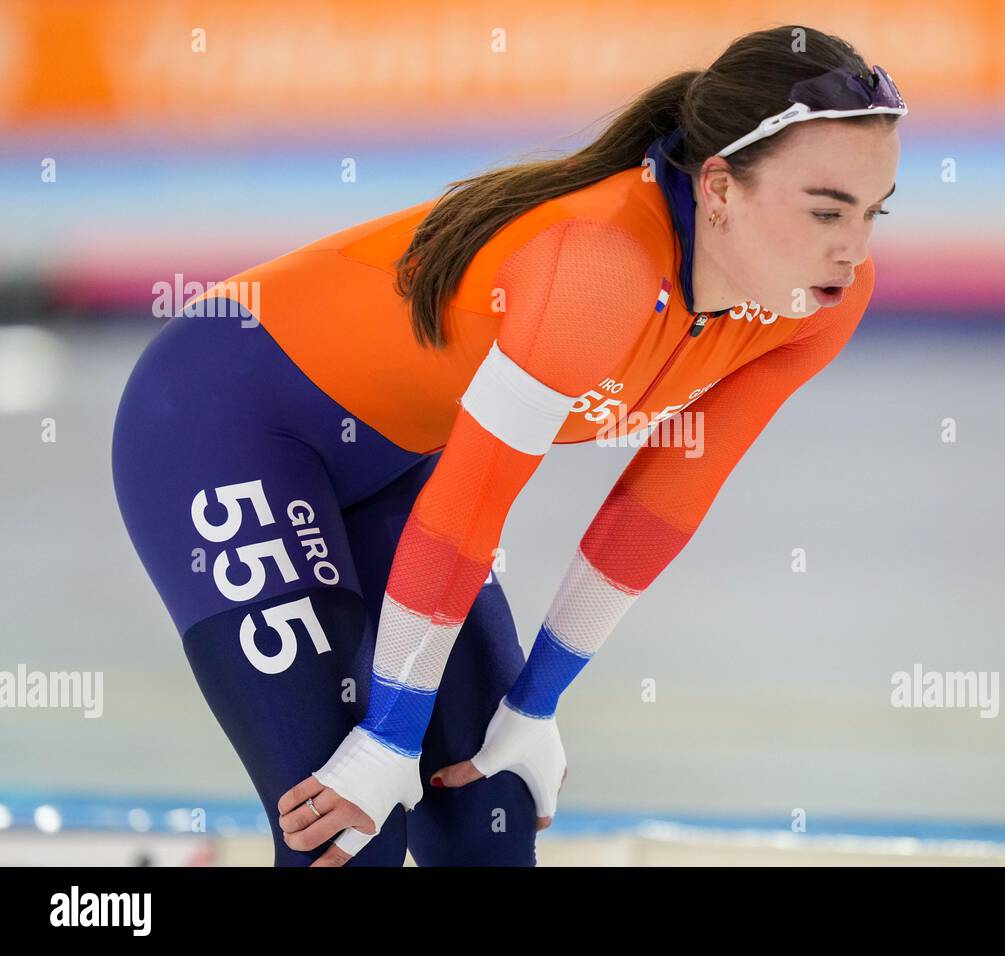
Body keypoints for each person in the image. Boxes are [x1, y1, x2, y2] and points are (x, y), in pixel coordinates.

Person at [110, 24, 904, 867]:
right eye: (826, 210)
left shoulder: (819, 306)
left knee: (488, 816)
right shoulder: (596, 271)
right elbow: (470, 511)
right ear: (718, 186)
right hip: (225, 418)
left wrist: (534, 706)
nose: (853, 250)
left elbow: (658, 507)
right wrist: (383, 740)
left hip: (395, 463)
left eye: (873, 211)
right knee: (348, 834)